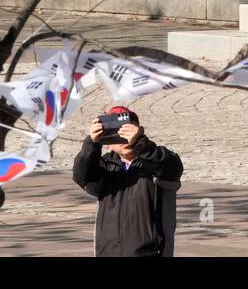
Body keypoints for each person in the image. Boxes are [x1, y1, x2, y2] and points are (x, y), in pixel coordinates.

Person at [71, 105, 183, 257]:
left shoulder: (158, 160)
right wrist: (92, 143)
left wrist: (140, 143)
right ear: (107, 142)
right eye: (116, 132)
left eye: (127, 129)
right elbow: (82, 177)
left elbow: (172, 168)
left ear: (140, 131)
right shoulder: (105, 166)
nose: (123, 137)